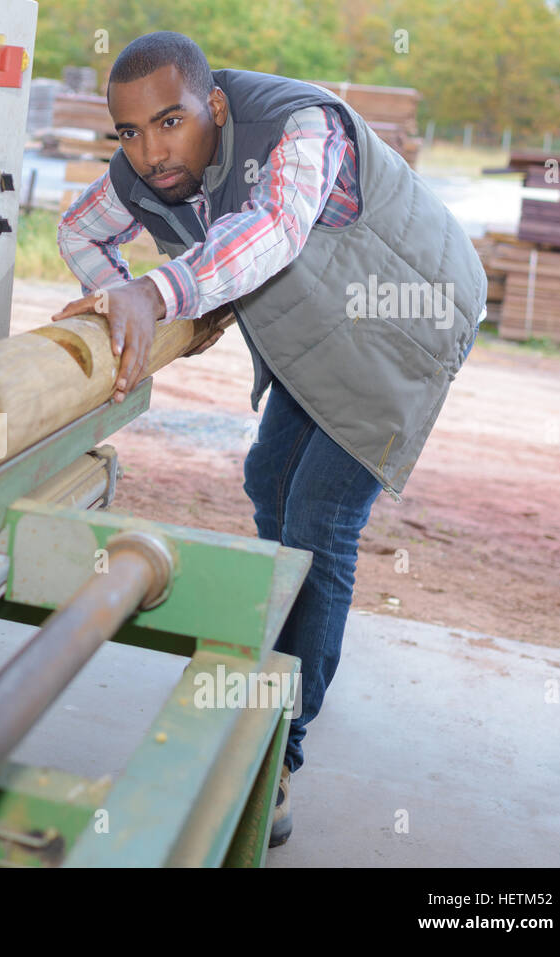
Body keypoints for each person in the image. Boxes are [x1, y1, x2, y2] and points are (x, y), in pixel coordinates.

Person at [52, 31, 485, 847]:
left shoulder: (299, 127)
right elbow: (78, 231)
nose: (150, 152)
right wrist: (126, 304)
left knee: (319, 518)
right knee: (269, 484)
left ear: (214, 104)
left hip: (410, 322)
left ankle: (279, 748)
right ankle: (274, 654)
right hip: (321, 338)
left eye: (170, 122)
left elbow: (280, 228)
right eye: (130, 133)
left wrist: (162, 289)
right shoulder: (148, 167)